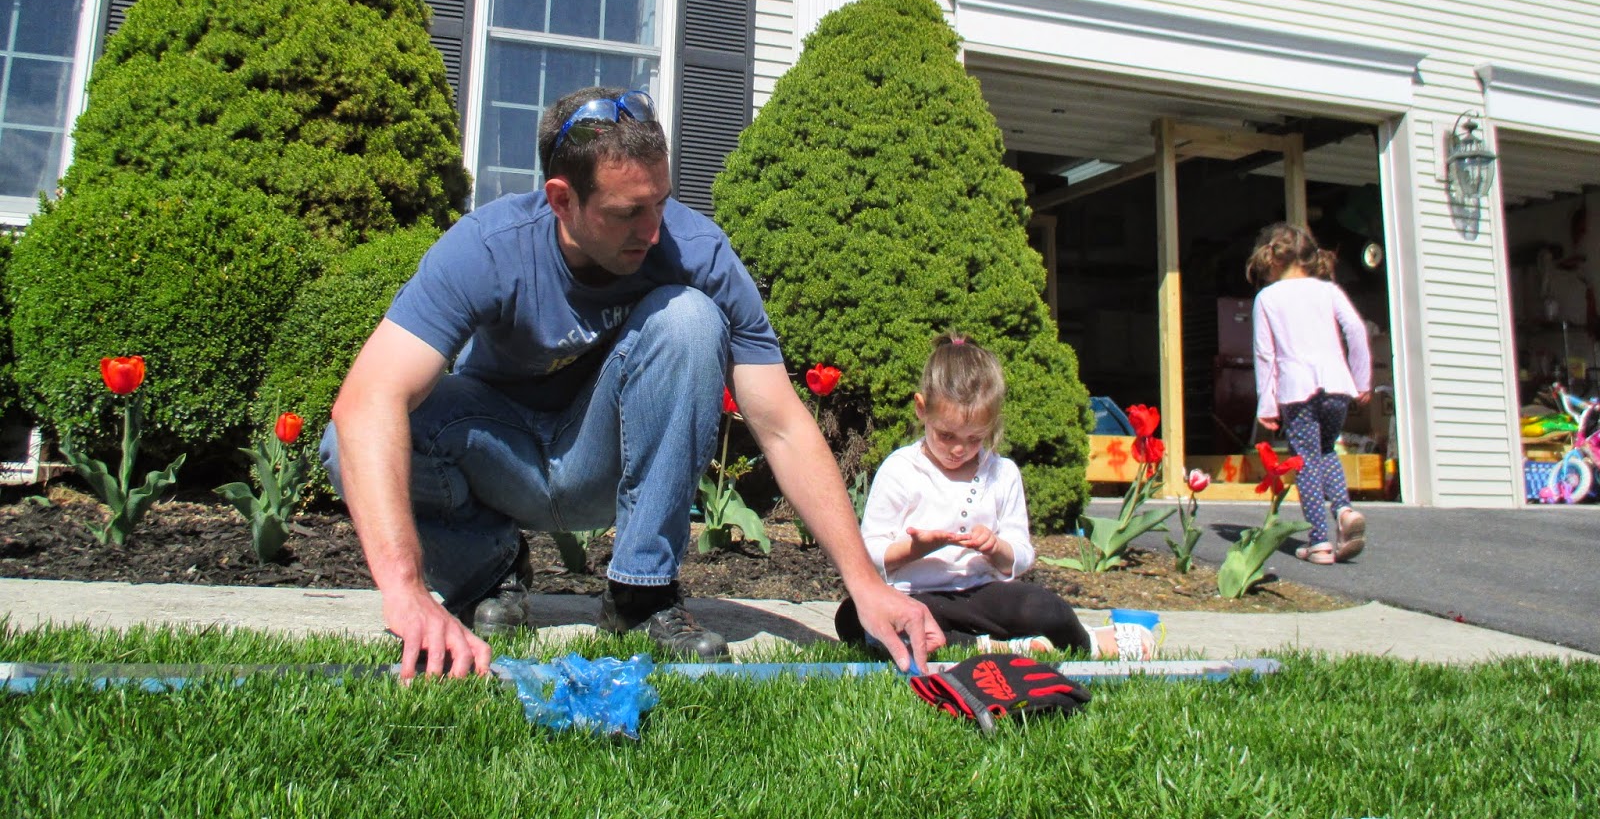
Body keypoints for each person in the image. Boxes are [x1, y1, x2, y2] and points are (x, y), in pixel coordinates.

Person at [323, 86, 941, 679]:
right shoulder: (488, 248)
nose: (652, 230)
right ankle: (485, 575)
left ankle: (640, 597)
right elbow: (366, 401)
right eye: (626, 213)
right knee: (345, 443)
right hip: (499, 455)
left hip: (603, 462)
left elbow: (779, 423)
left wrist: (866, 587)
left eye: (661, 203)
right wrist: (405, 593)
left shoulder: (698, 252)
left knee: (690, 317)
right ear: (562, 200)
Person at [834, 335, 1155, 662]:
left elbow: (1021, 554)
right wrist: (917, 548)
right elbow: (869, 553)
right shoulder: (901, 469)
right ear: (922, 409)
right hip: (916, 596)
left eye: (973, 439)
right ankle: (997, 648)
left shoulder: (1002, 473)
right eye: (946, 435)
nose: (958, 449)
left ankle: (1088, 641)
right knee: (854, 617)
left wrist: (996, 548)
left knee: (1045, 607)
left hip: (982, 594)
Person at [1247, 222, 1372, 564]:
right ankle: (1344, 511)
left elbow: (1265, 354)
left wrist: (1267, 403)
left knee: (1305, 462)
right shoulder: (1328, 291)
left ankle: (1318, 542)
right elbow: (1356, 331)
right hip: (1337, 385)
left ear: (1271, 259)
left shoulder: (1267, 298)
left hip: (1297, 388)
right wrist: (1361, 380)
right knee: (1327, 450)